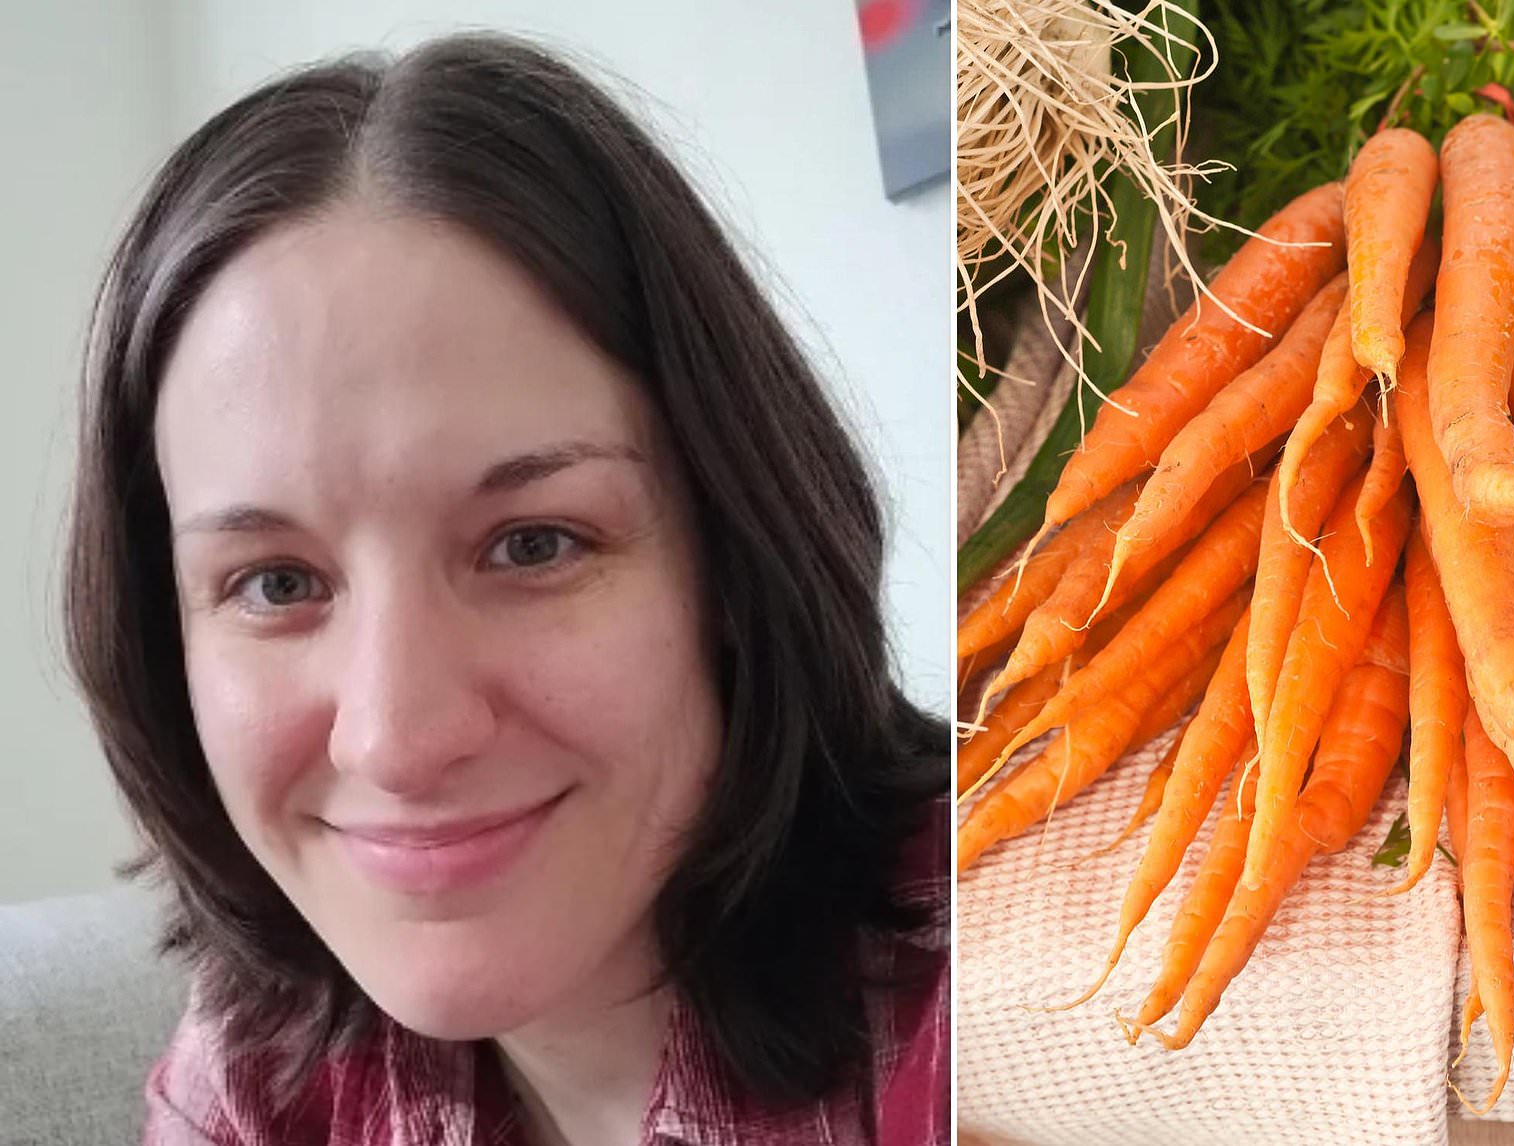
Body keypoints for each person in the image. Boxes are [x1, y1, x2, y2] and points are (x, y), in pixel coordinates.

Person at [63, 31, 948, 1146]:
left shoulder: (993, 1007)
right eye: (276, 581)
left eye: (533, 545)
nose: (397, 739)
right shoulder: (256, 1062)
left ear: (730, 554)